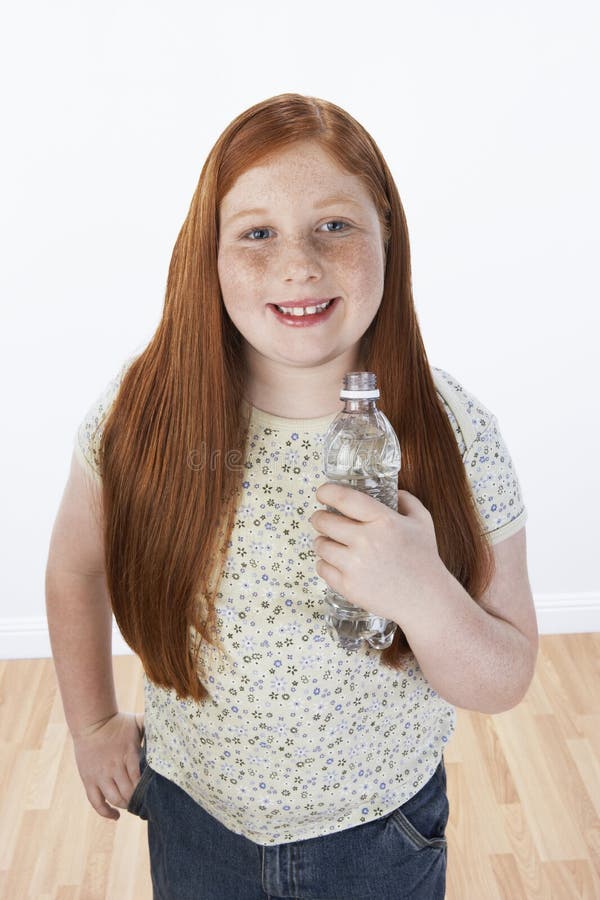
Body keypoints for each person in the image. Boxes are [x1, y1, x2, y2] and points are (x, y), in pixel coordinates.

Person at [45, 92, 539, 900]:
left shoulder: (456, 434)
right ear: (206, 253)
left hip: (380, 832)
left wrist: (424, 593)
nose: (299, 264)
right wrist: (93, 723)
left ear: (389, 235)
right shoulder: (141, 415)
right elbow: (74, 570)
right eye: (257, 233)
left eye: (335, 226)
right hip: (194, 816)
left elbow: (507, 675)